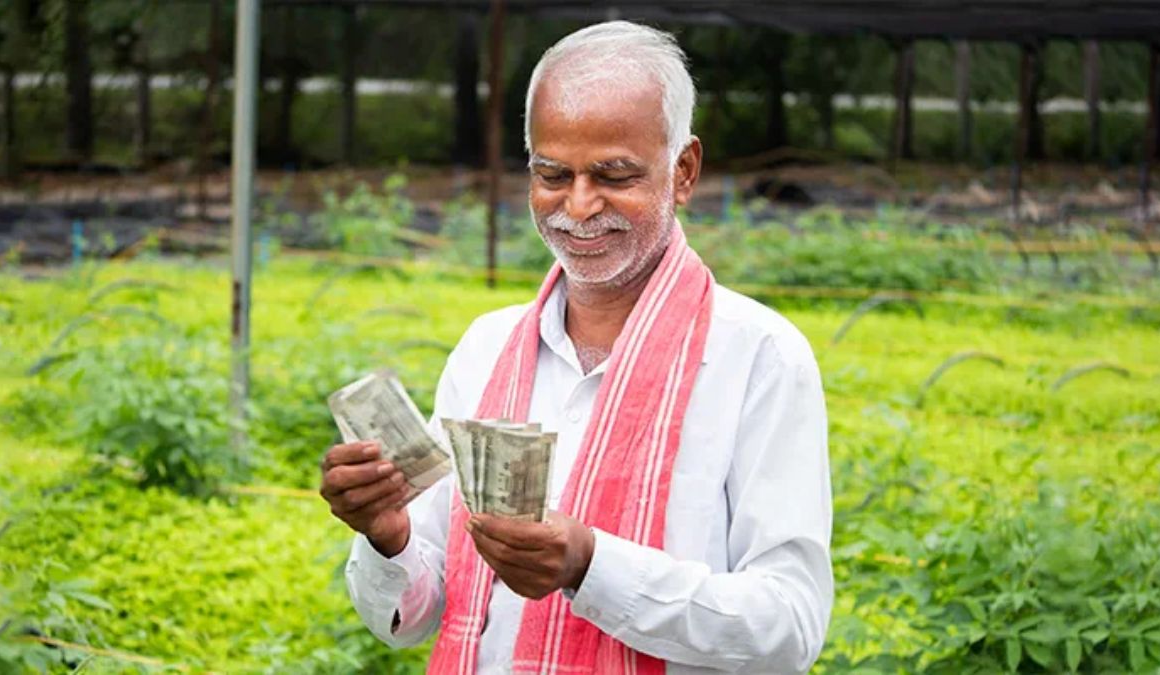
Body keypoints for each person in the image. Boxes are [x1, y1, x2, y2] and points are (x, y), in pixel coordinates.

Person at [320, 20, 833, 674]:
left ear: (683, 171)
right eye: (552, 173)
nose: (579, 205)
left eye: (614, 175)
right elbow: (413, 616)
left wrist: (593, 564)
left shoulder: (757, 358)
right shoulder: (488, 349)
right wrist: (388, 537)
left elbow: (790, 623)